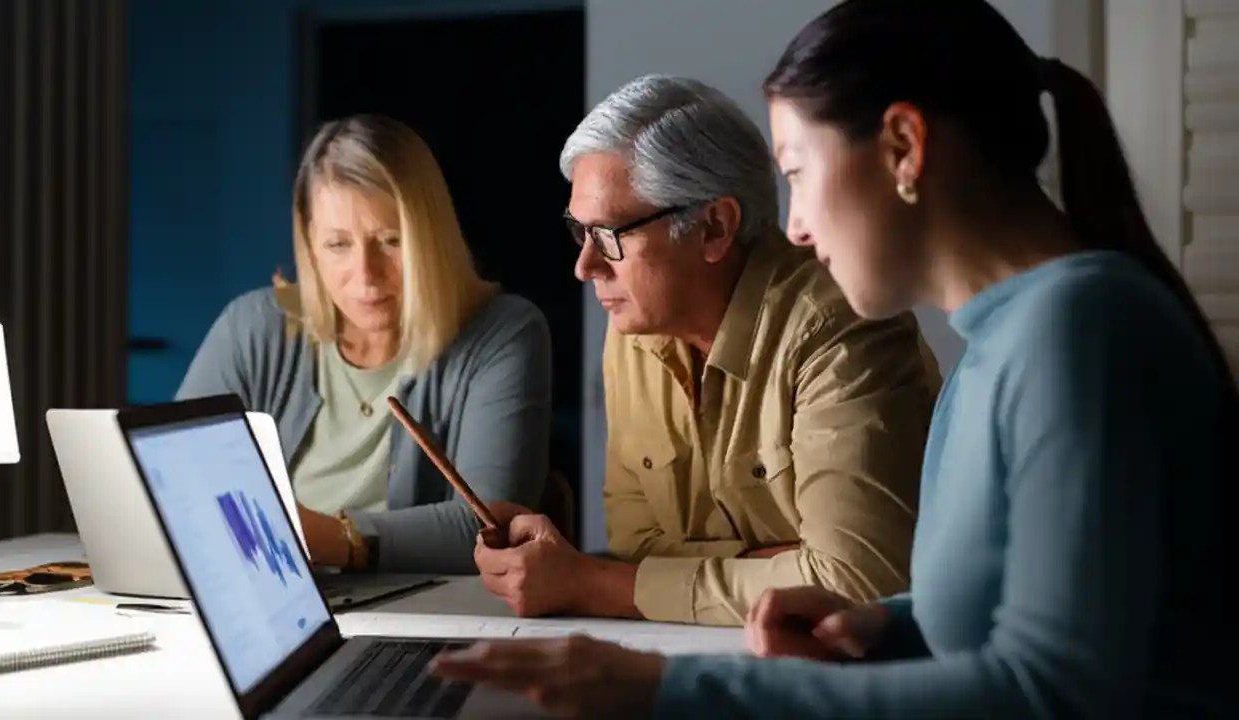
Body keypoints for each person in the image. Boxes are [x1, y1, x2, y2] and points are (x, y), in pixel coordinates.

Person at [428, 1, 1235, 716]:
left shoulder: (1075, 331)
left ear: (904, 147)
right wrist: (884, 626)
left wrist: (663, 689)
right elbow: (1007, 608)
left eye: (798, 176)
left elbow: (1050, 691)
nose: (799, 229)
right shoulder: (1002, 341)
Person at [471, 75, 940, 627]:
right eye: (581, 232)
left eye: (610, 235)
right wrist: (783, 565)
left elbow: (860, 582)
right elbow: (636, 549)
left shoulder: (841, 329)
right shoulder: (632, 330)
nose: (585, 266)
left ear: (715, 227)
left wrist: (589, 582)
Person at [178, 114, 552, 574]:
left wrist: (325, 538)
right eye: (337, 245)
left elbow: (486, 529)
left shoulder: (505, 333)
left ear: (431, 236)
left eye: (391, 241)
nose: (366, 275)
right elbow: (177, 487)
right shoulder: (251, 326)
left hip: (423, 616)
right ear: (309, 244)